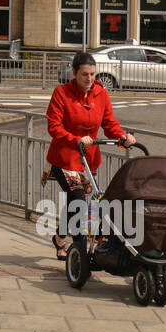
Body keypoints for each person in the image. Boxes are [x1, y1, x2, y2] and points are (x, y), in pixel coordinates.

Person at [43, 51, 133, 259]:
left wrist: (123, 136)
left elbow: (109, 123)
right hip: (65, 156)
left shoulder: (101, 94)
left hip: (87, 158)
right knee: (78, 201)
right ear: (74, 73)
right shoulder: (61, 93)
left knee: (79, 202)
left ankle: (59, 237)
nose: (89, 79)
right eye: (85, 74)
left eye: (93, 74)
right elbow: (53, 126)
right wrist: (75, 139)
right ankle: (80, 251)